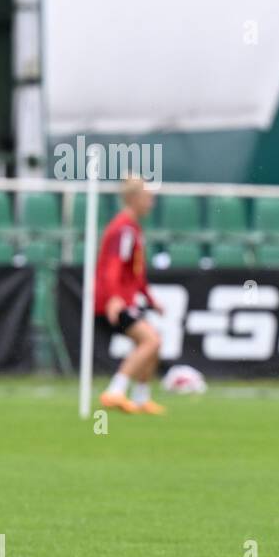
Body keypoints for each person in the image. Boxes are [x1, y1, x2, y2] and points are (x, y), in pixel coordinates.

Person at [94, 175, 166, 416]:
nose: (151, 202)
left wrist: (151, 300)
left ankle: (141, 397)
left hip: (125, 297)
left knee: (152, 342)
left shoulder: (132, 228)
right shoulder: (122, 229)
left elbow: (136, 273)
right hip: (115, 300)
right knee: (150, 341)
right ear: (134, 198)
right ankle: (115, 390)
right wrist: (114, 298)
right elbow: (112, 267)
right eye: (148, 197)